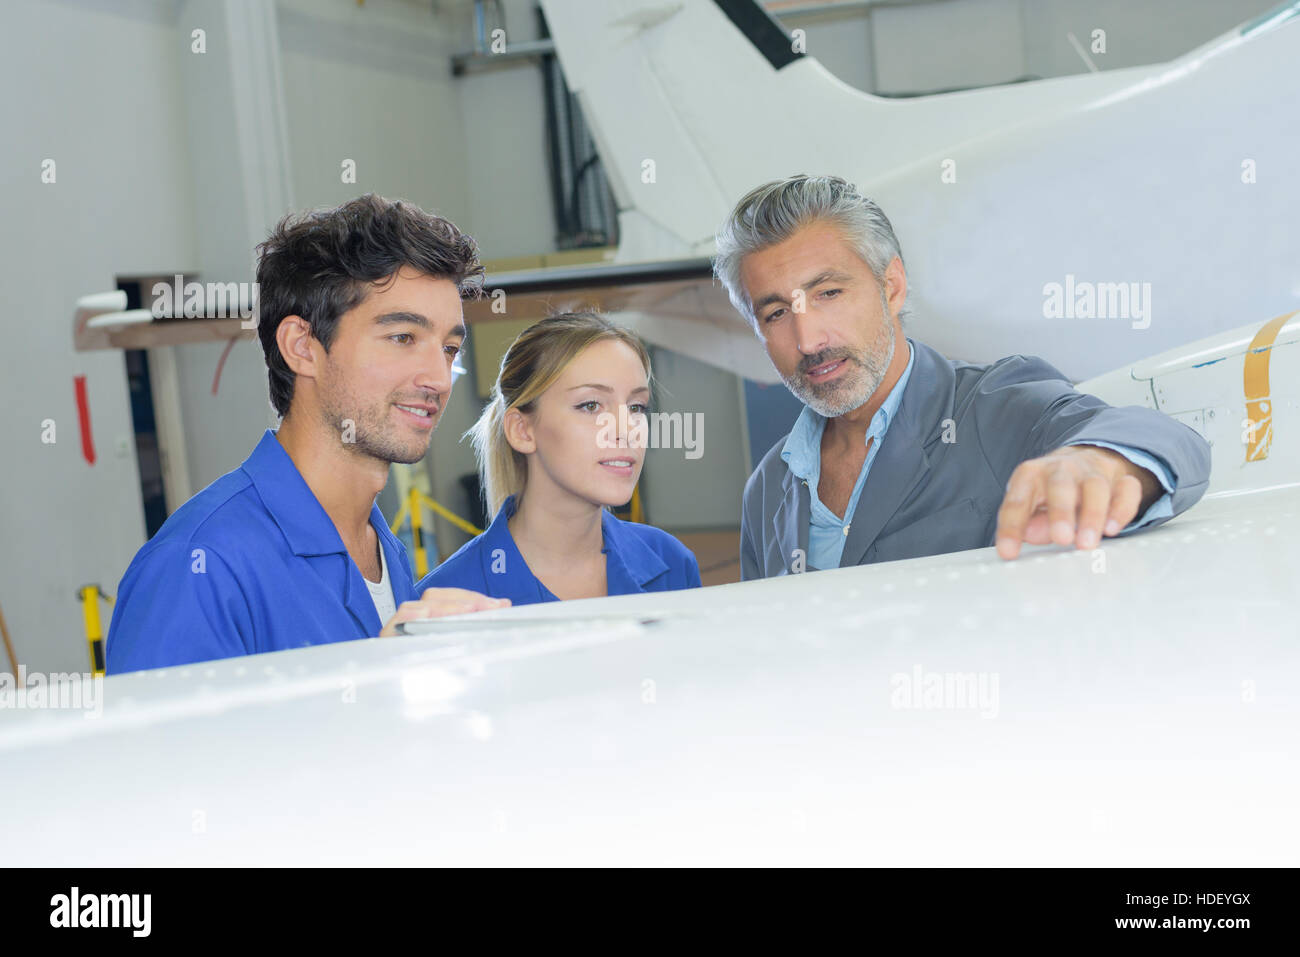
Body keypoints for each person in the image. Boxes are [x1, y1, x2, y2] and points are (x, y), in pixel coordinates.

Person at [712, 175, 1212, 579]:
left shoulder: (992, 406)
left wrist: (1102, 461)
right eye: (776, 314)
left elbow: (1165, 438)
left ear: (892, 287)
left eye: (829, 294)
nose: (808, 340)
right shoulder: (767, 488)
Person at [107, 194, 509, 673]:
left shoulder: (387, 552)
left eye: (447, 348)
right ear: (302, 347)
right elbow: (161, 750)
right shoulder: (199, 566)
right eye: (403, 338)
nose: (440, 379)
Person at [420, 312, 701, 604]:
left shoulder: (673, 564)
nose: (626, 430)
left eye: (636, 407)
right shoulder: (448, 597)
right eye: (591, 405)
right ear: (523, 430)